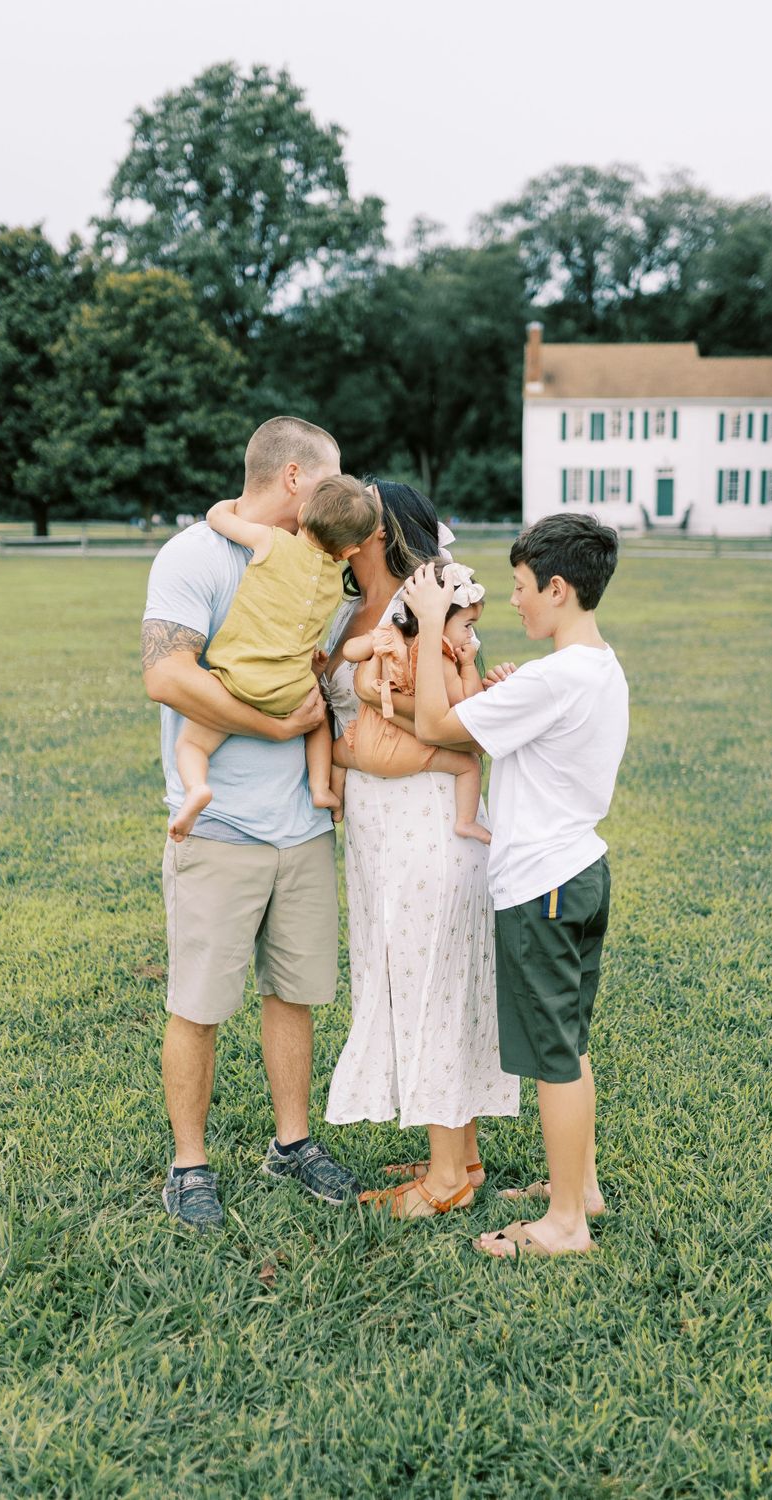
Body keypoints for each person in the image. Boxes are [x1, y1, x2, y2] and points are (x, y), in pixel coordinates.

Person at [141, 415, 362, 1230]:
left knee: (293, 994)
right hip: (222, 826)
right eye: (331, 476)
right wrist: (269, 724)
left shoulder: (321, 563)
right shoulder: (194, 556)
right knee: (198, 1002)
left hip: (302, 827)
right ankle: (189, 1164)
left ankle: (292, 1143)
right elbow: (165, 674)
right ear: (296, 477)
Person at [405, 512, 629, 1257]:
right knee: (569, 1040)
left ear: (559, 588)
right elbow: (540, 734)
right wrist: (512, 691)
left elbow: (437, 721)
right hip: (581, 873)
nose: (514, 601)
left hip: (543, 887)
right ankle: (581, 1186)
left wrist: (434, 618)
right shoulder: (597, 667)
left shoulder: (553, 678)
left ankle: (565, 1224)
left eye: (523, 587)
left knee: (555, 1057)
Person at [321, 480, 519, 1219]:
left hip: (429, 819)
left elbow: (464, 724)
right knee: (413, 977)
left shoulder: (427, 602)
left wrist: (381, 705)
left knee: (433, 978)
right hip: (378, 830)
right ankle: (458, 1153)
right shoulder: (353, 611)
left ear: (381, 529)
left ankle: (444, 1184)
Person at [168, 475, 380, 842]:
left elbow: (218, 518)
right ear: (347, 553)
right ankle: (318, 787)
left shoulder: (271, 541)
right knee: (316, 719)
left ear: (301, 514)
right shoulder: (333, 582)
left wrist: (227, 505)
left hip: (238, 677)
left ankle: (197, 788)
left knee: (191, 744)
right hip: (290, 687)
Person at [332, 559, 490, 845]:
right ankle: (466, 822)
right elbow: (466, 706)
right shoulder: (439, 658)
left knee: (334, 752)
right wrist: (467, 667)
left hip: (365, 746)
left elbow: (350, 650)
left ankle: (333, 797)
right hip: (405, 751)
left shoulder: (390, 635)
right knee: (469, 765)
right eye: (467, 625)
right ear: (438, 620)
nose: (471, 634)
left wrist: (373, 644)